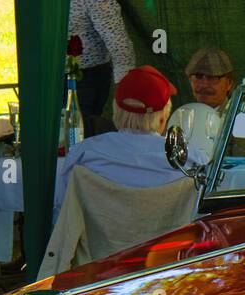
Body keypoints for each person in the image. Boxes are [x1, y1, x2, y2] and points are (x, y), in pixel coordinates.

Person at [53, 65, 205, 212]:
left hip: (98, 238)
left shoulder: (83, 154)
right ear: (161, 118)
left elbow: (63, 211)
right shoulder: (192, 161)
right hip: (171, 238)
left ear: (116, 111)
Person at [67, 0, 135, 136]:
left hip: (86, 78)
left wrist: (126, 93)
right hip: (48, 75)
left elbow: (119, 45)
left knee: (79, 135)